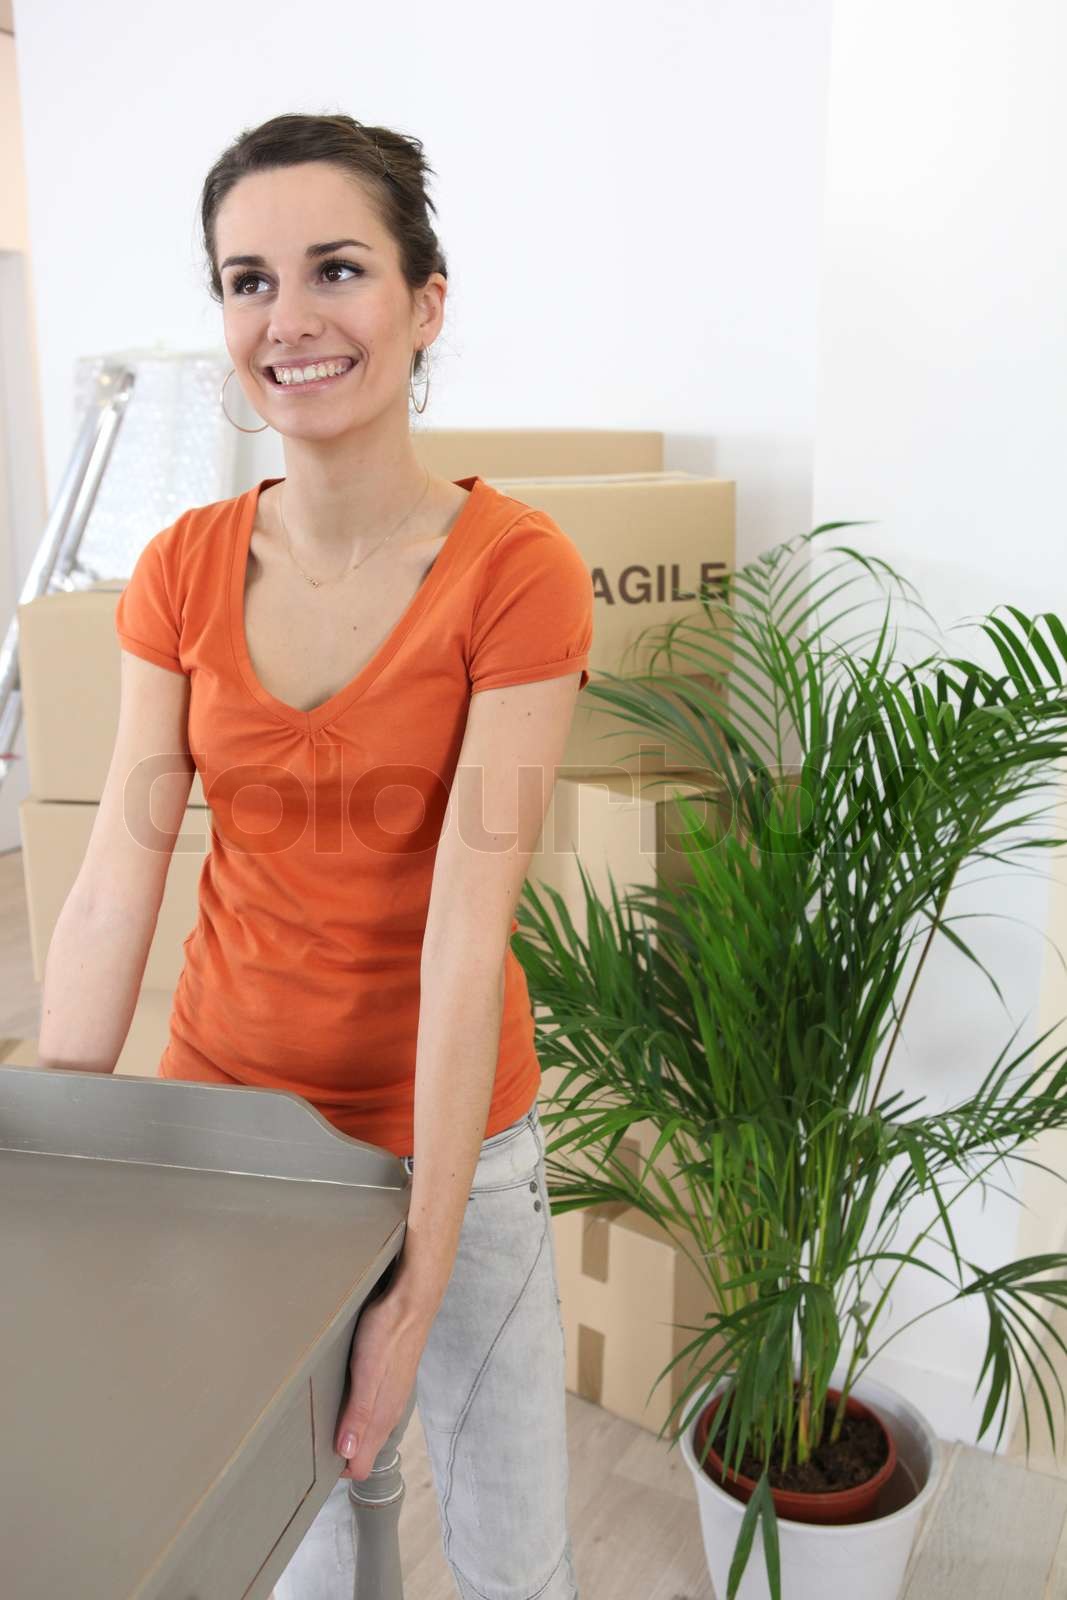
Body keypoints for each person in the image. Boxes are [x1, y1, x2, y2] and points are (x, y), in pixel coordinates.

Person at [37, 112, 592, 1599]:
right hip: (238, 1145)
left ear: (424, 302)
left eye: (335, 269)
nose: (288, 320)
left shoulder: (515, 571)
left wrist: (414, 1273)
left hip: (457, 1153)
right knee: (293, 1553)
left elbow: (465, 936)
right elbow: (116, 879)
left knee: (515, 1557)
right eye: (246, 280)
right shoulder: (183, 569)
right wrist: (51, 1168)